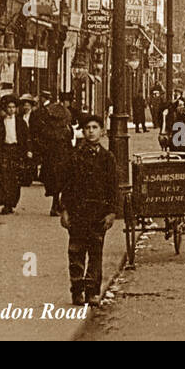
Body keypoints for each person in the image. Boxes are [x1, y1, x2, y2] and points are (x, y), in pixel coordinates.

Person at [59, 114, 120, 306]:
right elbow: (67, 186)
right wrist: (65, 210)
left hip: (98, 213)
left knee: (95, 251)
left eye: (95, 127)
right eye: (87, 128)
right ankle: (77, 290)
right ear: (83, 132)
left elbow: (113, 187)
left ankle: (92, 291)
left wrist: (111, 212)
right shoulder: (75, 157)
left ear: (102, 132)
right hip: (78, 211)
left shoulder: (107, 158)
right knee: (75, 251)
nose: (91, 131)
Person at [0, 97, 29, 214]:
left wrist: (26, 151)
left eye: (13, 107)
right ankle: (5, 203)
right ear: (5, 108)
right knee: (4, 177)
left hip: (16, 151)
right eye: (9, 107)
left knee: (15, 179)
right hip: (4, 150)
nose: (11, 110)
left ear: (16, 109)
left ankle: (11, 202)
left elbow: (25, 139)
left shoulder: (21, 122)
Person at [37, 93, 75, 216]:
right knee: (62, 181)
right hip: (62, 157)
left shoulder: (48, 128)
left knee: (55, 182)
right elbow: (70, 140)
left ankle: (56, 204)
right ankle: (57, 205)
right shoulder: (64, 129)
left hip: (52, 158)